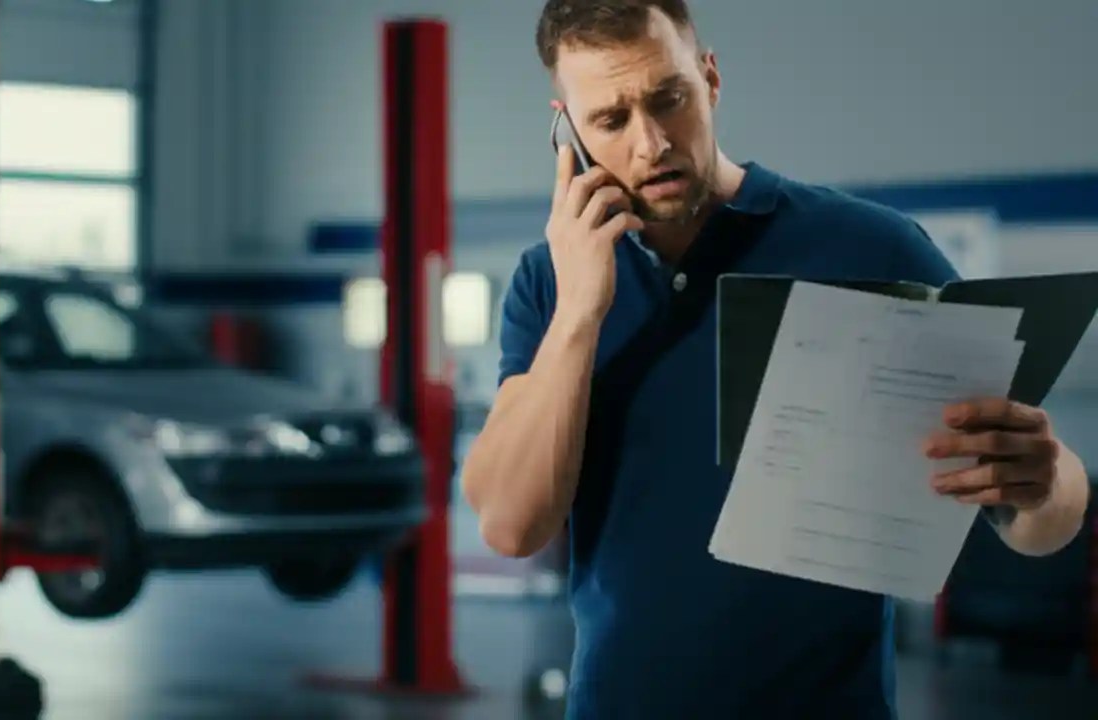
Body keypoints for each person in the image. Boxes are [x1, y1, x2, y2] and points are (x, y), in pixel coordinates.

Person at [458, 1, 1092, 717]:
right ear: (566, 131)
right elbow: (512, 525)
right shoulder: (549, 281)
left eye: (670, 99)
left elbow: (1039, 516)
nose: (653, 142)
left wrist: (1048, 482)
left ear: (710, 78)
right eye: (611, 119)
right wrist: (580, 311)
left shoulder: (872, 248)